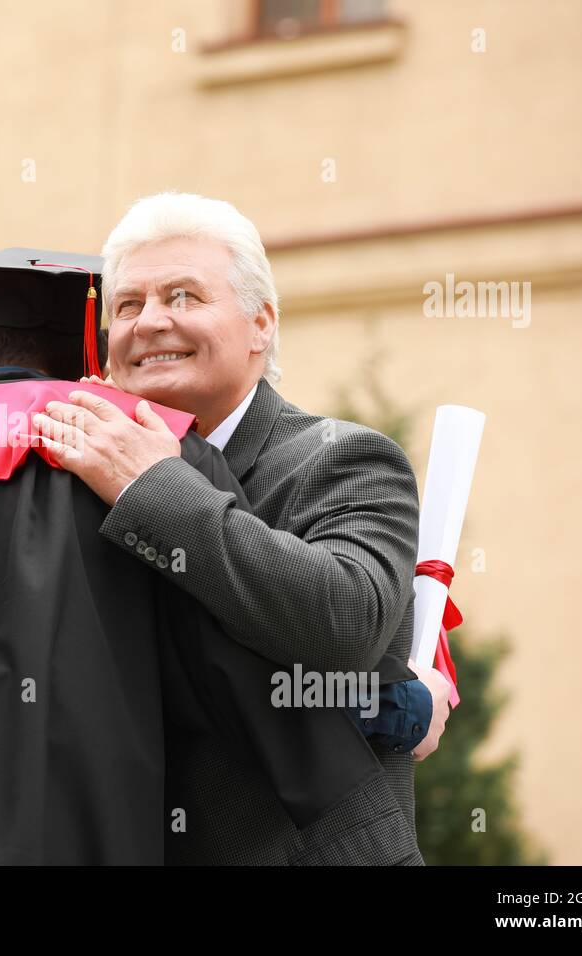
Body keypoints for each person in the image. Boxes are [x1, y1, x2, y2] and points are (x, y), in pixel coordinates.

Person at [0, 250, 432, 864]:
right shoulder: (153, 462)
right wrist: (393, 722)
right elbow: (233, 670)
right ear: (92, 364)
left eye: (182, 297)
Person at [40, 193, 454, 863]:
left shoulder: (345, 459)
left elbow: (343, 624)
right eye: (127, 305)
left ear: (261, 322)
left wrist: (156, 488)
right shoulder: (72, 476)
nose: (150, 323)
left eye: (182, 296)